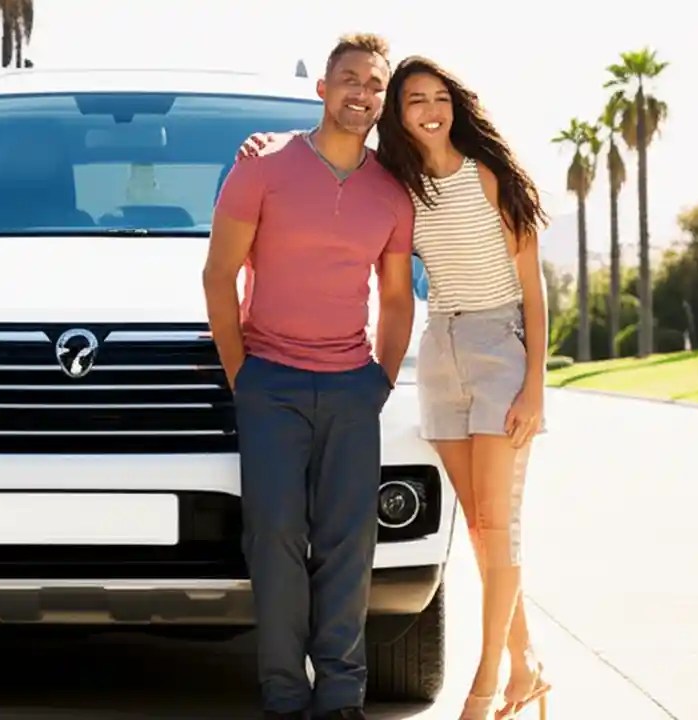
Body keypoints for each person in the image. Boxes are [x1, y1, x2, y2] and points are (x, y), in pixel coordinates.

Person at [236, 56, 552, 720]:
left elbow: (532, 288)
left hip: (498, 350)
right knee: (479, 528)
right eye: (415, 101)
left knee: (500, 526)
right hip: (441, 351)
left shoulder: (487, 177)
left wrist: (536, 387)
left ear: (457, 105)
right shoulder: (400, 183)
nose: (429, 109)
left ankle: (488, 685)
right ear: (397, 115)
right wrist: (262, 143)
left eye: (439, 97)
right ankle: (526, 664)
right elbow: (325, 173)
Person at [201, 33, 415, 720]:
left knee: (350, 542)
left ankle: (342, 697)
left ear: (382, 100)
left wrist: (378, 380)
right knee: (275, 536)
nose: (361, 92)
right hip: (272, 382)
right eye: (348, 78)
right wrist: (245, 375)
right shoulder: (264, 166)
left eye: (374, 84)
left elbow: (398, 294)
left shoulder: (392, 190)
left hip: (351, 384)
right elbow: (218, 275)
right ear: (322, 90)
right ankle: (286, 696)